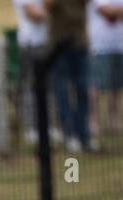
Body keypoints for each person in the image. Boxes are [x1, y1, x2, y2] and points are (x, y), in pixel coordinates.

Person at [47, 0, 96, 151]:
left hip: (79, 42)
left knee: (83, 90)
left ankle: (84, 135)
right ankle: (69, 135)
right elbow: (47, 5)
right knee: (62, 92)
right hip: (59, 45)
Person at [13, 1, 54, 144]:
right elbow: (34, 14)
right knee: (31, 87)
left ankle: (48, 125)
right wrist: (59, 14)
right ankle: (33, 128)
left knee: (48, 87)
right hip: (30, 44)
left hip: (47, 43)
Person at [89, 0, 123, 138]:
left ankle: (113, 121)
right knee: (95, 86)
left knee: (116, 86)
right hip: (99, 47)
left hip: (119, 45)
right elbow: (105, 10)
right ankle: (93, 122)